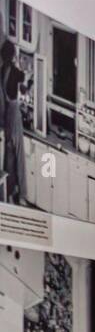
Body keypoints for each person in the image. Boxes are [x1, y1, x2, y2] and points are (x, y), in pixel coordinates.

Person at [0, 33, 28, 204]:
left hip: (5, 116)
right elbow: (25, 85)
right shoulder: (16, 72)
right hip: (14, 113)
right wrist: (23, 67)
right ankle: (23, 196)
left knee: (9, 156)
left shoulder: (1, 71)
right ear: (13, 55)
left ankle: (10, 194)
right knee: (19, 155)